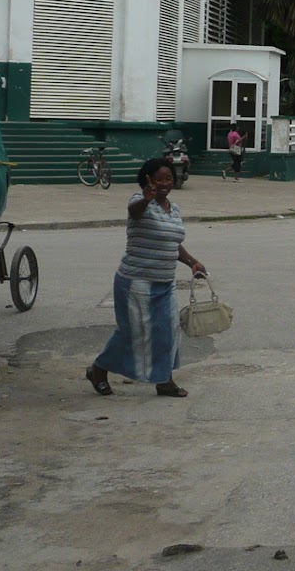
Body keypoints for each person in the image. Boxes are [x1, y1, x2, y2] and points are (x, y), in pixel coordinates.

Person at [86, 157, 206, 399]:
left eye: (169, 178)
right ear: (147, 179)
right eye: (159, 178)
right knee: (133, 333)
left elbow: (173, 243)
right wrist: (146, 198)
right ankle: (98, 369)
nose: (164, 183)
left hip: (164, 282)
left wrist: (192, 262)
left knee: (170, 331)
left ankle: (164, 381)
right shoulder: (138, 202)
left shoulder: (173, 208)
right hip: (135, 282)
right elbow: (135, 210)